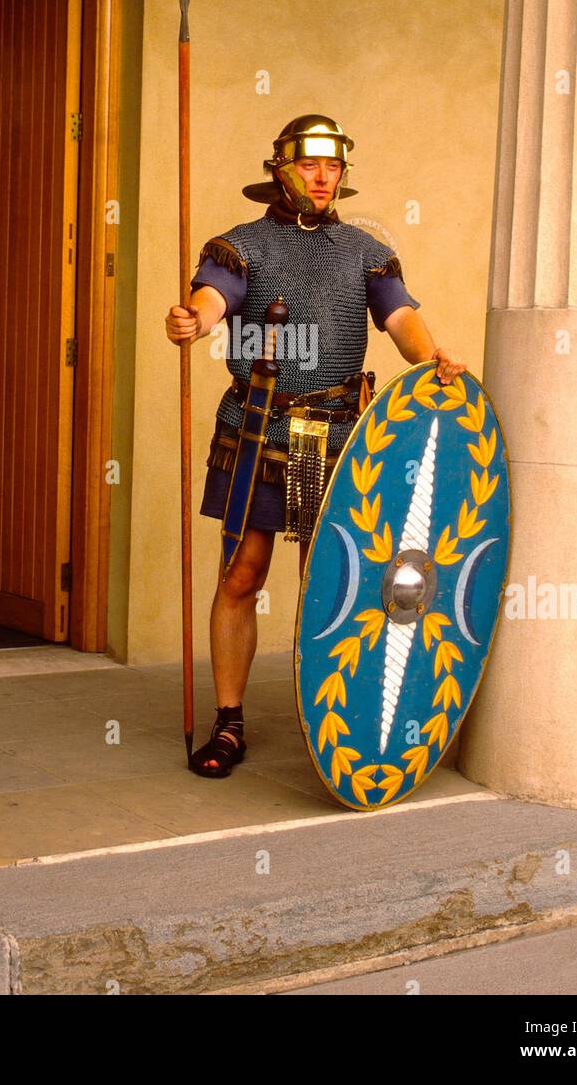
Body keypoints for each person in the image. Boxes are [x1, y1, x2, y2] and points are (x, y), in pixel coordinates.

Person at [165, 115, 466, 777]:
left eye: (333, 167)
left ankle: (335, 721)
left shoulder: (364, 250)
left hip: (336, 435)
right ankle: (229, 723)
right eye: (309, 165)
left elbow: (399, 316)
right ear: (280, 169)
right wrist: (196, 317)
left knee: (329, 581)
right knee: (241, 575)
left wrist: (428, 357)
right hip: (257, 427)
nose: (324, 177)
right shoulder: (240, 246)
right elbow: (215, 297)